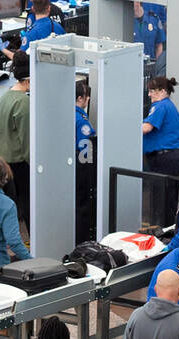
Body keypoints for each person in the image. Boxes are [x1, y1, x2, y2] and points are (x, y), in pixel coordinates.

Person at [0, 52, 32, 228]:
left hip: (2, 160)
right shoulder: (23, 102)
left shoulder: (3, 98)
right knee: (27, 204)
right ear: (29, 80)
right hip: (19, 163)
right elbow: (26, 139)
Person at [142, 76, 179, 224]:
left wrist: (126, 127)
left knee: (162, 202)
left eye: (152, 91)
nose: (149, 94)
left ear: (163, 91)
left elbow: (146, 128)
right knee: (168, 200)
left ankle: (164, 233)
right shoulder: (168, 106)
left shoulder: (160, 106)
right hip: (171, 158)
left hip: (164, 160)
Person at [75, 81, 97, 243]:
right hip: (81, 167)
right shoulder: (82, 120)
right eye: (87, 97)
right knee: (83, 204)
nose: (88, 100)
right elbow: (86, 149)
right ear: (80, 98)